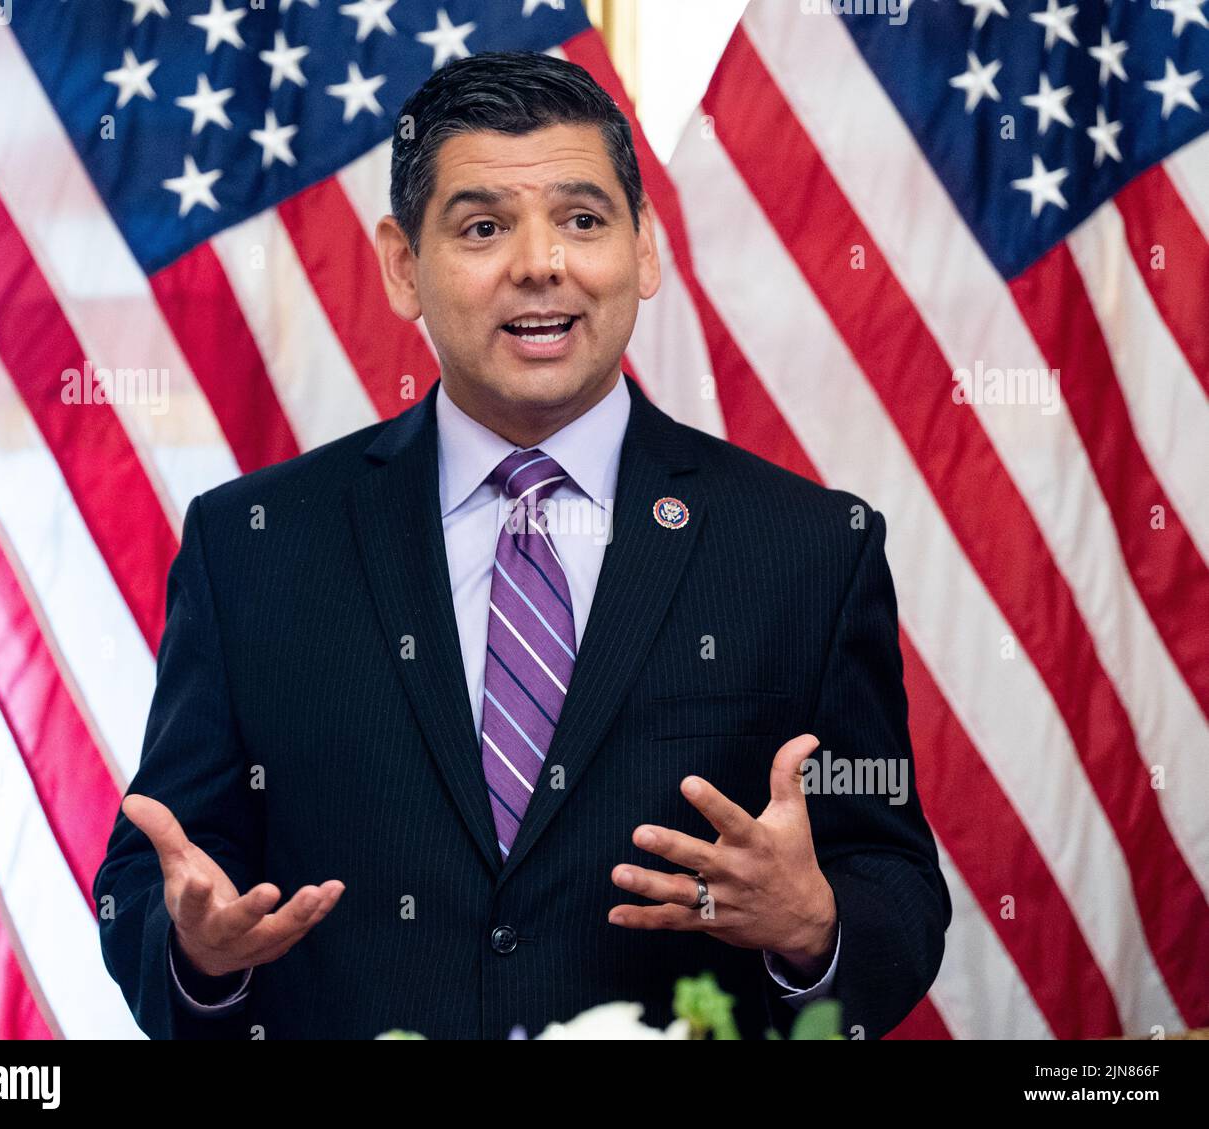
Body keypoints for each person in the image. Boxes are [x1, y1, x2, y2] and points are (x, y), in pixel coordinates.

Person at [94, 51, 950, 1040]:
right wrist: (196, 953)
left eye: (584, 220)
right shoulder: (251, 548)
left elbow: (891, 878)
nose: (540, 263)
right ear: (402, 266)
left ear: (645, 251)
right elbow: (146, 876)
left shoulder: (807, 551)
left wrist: (812, 929)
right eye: (483, 226)